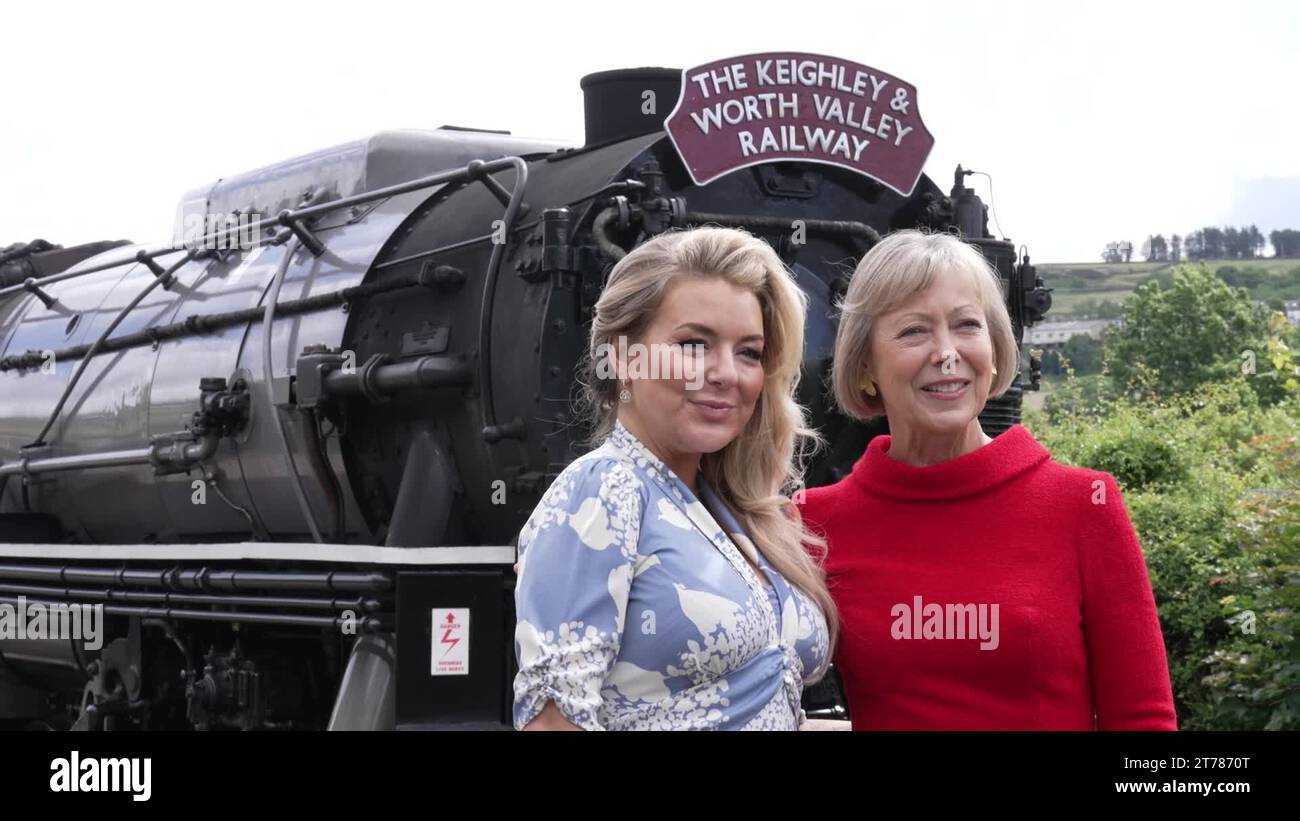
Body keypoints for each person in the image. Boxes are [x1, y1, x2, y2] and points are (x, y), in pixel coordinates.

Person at [798, 228, 1177, 730]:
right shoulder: (812, 522)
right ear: (865, 364)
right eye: (914, 331)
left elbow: (1142, 718)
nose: (946, 352)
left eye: (966, 326)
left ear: (995, 349)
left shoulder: (1084, 504)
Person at [513, 227, 837, 730]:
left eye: (749, 352)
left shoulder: (732, 508)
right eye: (693, 344)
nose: (727, 373)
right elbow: (554, 721)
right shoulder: (604, 489)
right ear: (622, 355)